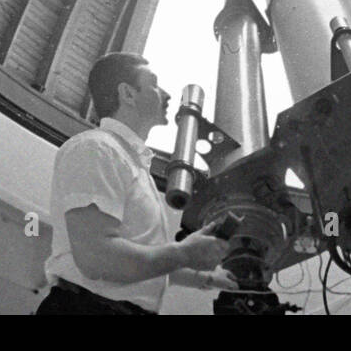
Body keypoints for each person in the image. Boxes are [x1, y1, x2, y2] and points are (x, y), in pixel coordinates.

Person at [36, 52, 233, 315]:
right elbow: (98, 259)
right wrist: (184, 253)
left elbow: (138, 264)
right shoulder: (97, 148)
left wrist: (211, 278)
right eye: (154, 83)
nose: (166, 94)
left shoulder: (131, 165)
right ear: (127, 94)